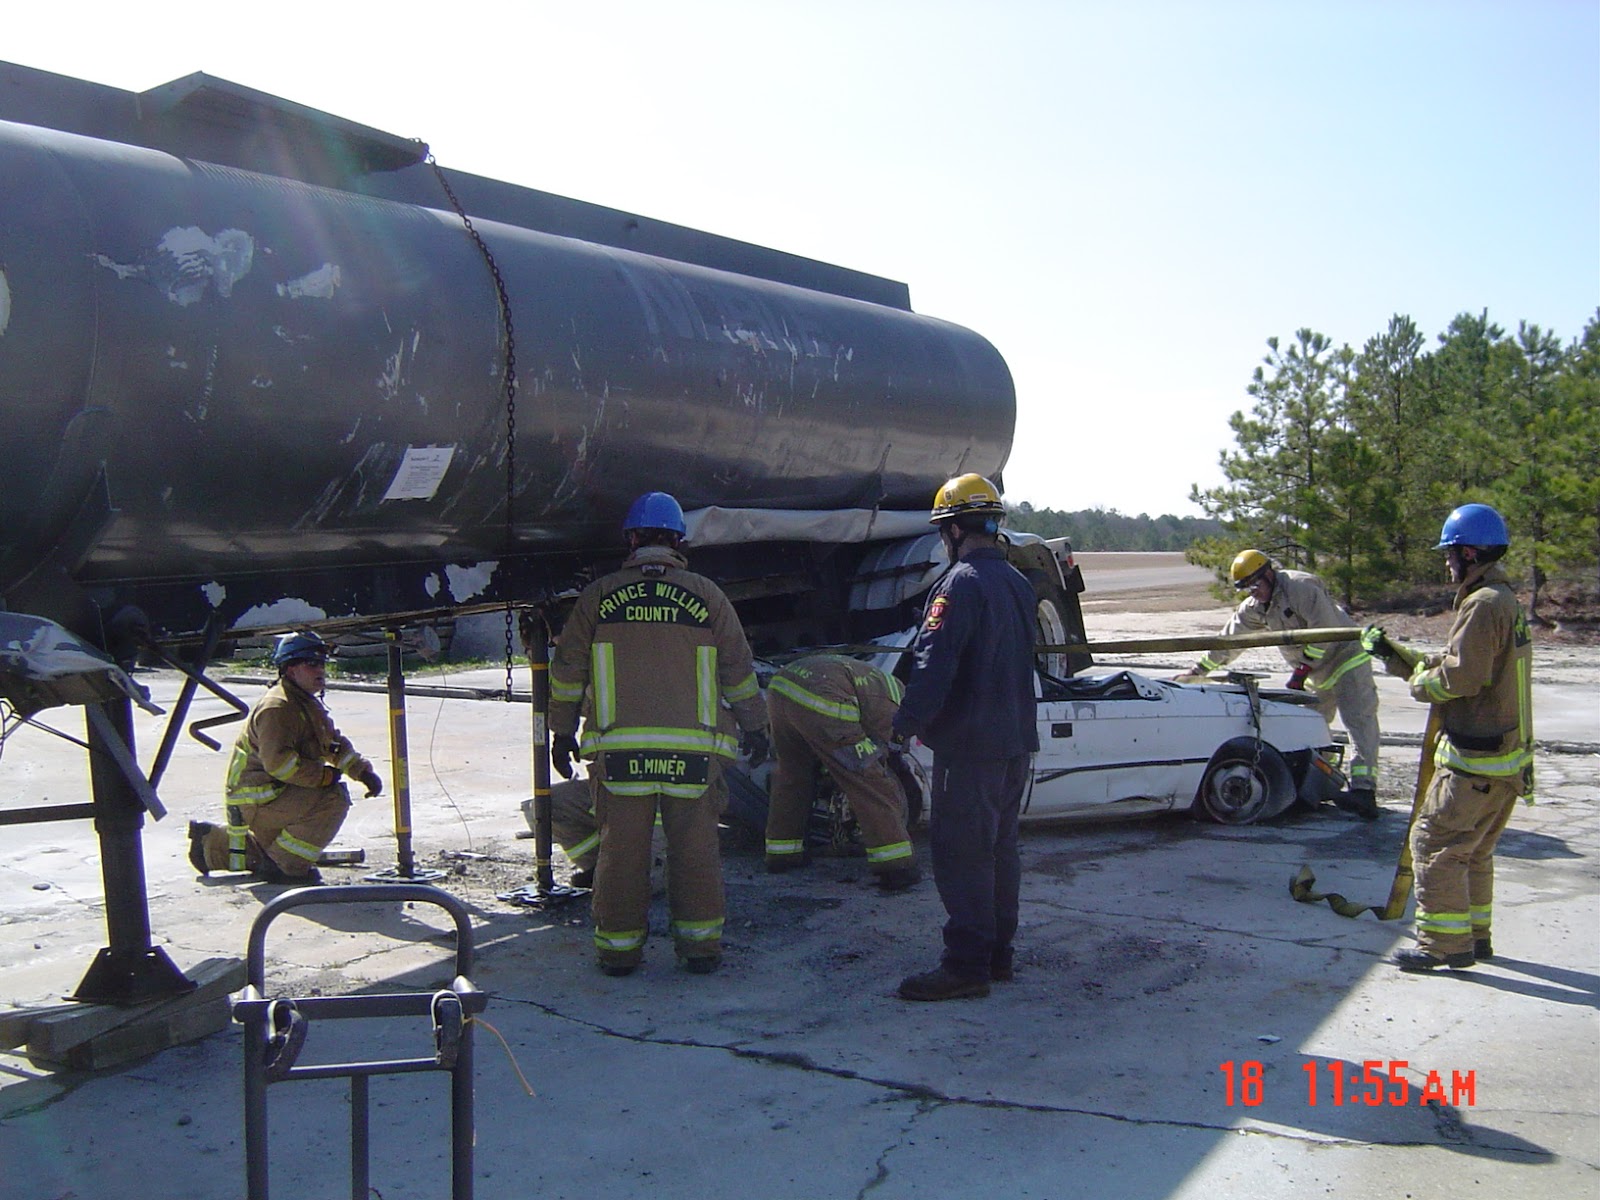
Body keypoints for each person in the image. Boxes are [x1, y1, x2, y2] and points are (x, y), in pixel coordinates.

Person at [548, 491, 769, 977]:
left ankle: (619, 953)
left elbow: (567, 671)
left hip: (620, 754)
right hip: (692, 756)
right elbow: (737, 669)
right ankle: (700, 950)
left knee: (622, 852)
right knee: (695, 851)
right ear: (677, 540)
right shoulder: (707, 595)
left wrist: (561, 732)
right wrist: (756, 725)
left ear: (631, 539)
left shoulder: (599, 596)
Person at [1367, 504, 1533, 973]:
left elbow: (1460, 678)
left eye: (1450, 554)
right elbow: (1458, 660)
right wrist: (1394, 655)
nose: (1446, 563)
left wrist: (1419, 685)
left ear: (1469, 551)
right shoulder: (1501, 600)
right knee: (1473, 851)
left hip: (1474, 760)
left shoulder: (1482, 605)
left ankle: (1443, 946)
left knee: (1435, 844)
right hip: (1503, 762)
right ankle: (1476, 937)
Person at [891, 474, 1039, 1001]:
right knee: (1000, 849)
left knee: (962, 854)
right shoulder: (1019, 585)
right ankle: (998, 954)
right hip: (1015, 741)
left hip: (970, 746)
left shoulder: (958, 585)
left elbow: (933, 665)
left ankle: (965, 966)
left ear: (953, 529)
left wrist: (902, 725)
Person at [1179, 549, 1382, 819]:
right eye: (1246, 589)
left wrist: (1302, 670)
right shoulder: (1254, 608)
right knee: (1311, 729)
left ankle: (1364, 792)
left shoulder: (1300, 588)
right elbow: (1229, 642)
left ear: (1269, 574)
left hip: (1346, 660)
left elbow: (1325, 633)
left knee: (1359, 721)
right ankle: (1320, 785)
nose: (1253, 593)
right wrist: (1197, 670)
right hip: (1314, 672)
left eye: (1255, 585)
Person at [189, 631, 382, 884]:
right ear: (290, 670)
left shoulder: (303, 703)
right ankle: (286, 867)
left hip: (274, 795)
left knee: (270, 849)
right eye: (312, 664)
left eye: (322, 664)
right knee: (333, 798)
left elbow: (332, 744)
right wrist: (324, 776)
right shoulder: (278, 708)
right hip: (261, 798)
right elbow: (281, 765)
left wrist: (361, 771)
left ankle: (210, 846)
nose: (320, 670)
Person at [765, 653, 921, 891]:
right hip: (823, 694)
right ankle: (897, 866)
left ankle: (783, 854)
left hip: (780, 688)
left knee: (793, 774)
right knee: (870, 782)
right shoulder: (897, 706)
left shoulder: (881, 683)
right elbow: (882, 757)